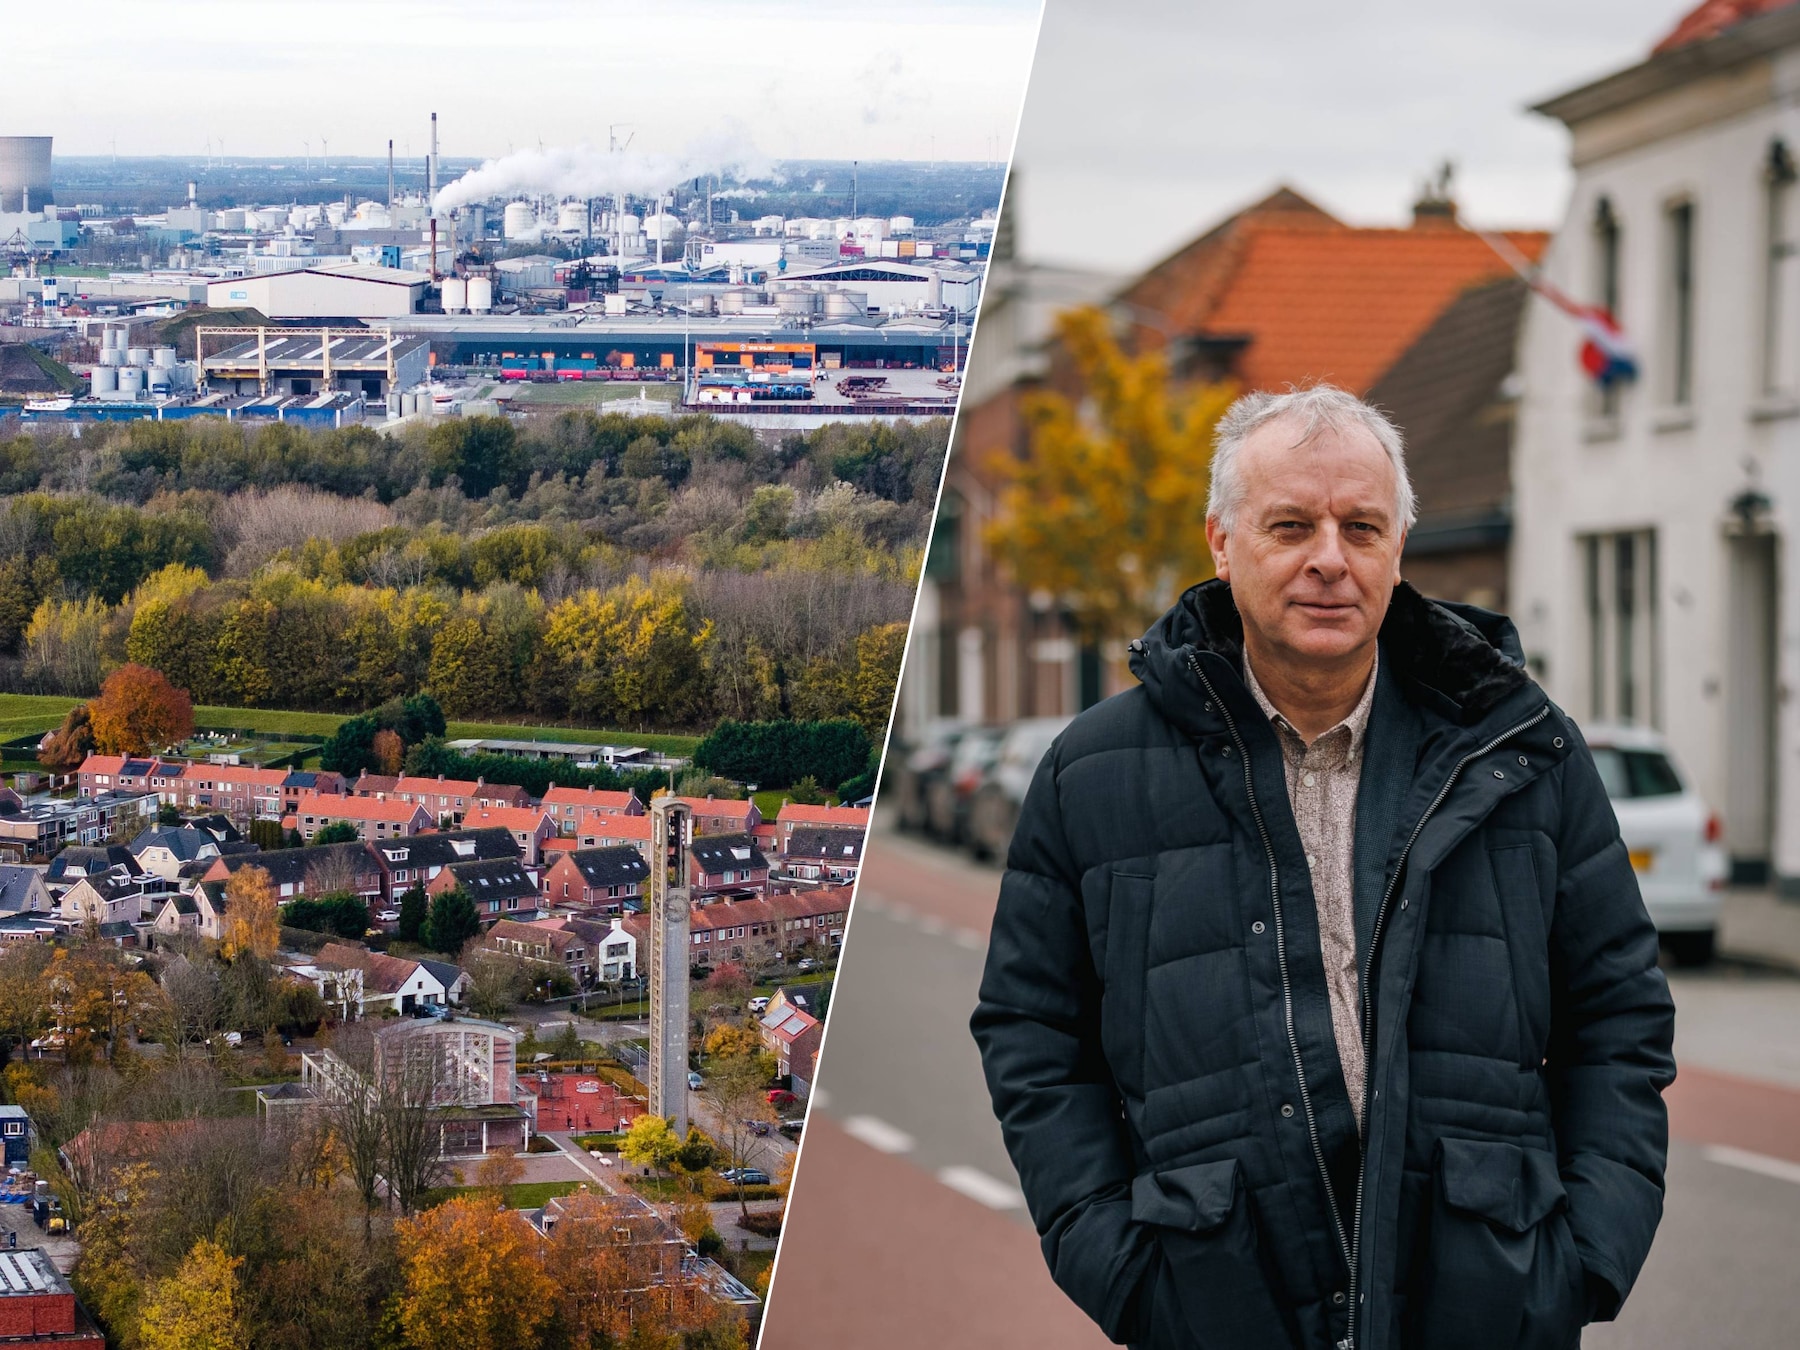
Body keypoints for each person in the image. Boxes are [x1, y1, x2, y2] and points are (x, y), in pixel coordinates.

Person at [971, 385, 1675, 1350]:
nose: (1329, 561)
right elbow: (1032, 1031)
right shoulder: (1091, 775)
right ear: (1222, 542)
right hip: (1217, 1306)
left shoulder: (1524, 755)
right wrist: (1126, 1268)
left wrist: (1582, 1258)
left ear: (1397, 549)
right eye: (1292, 525)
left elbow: (1619, 1018)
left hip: (1481, 1304)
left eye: (1362, 527)